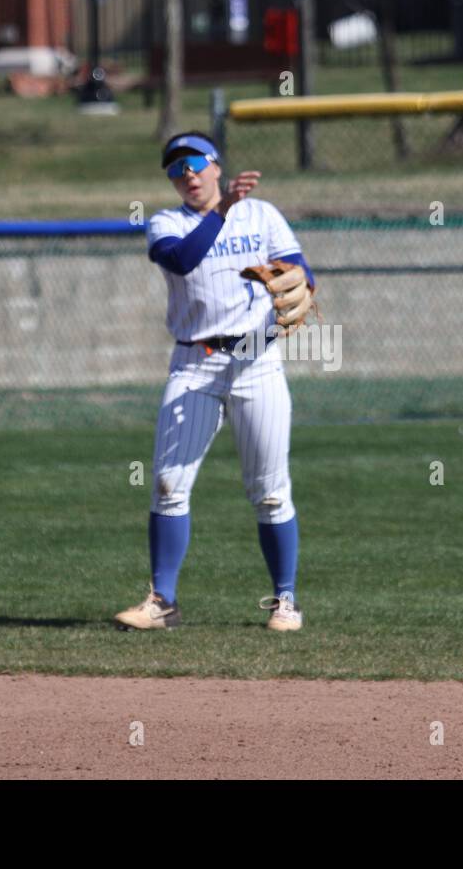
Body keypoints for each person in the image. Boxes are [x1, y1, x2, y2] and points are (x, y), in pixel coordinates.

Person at [114, 132, 316, 632]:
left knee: (270, 491)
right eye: (175, 168)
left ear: (216, 165)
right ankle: (163, 601)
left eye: (194, 163)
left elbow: (298, 269)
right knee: (167, 485)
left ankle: (285, 601)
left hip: (255, 360)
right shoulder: (165, 222)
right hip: (194, 362)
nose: (186, 174)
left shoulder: (263, 215)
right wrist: (221, 211)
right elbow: (183, 260)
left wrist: (303, 282)